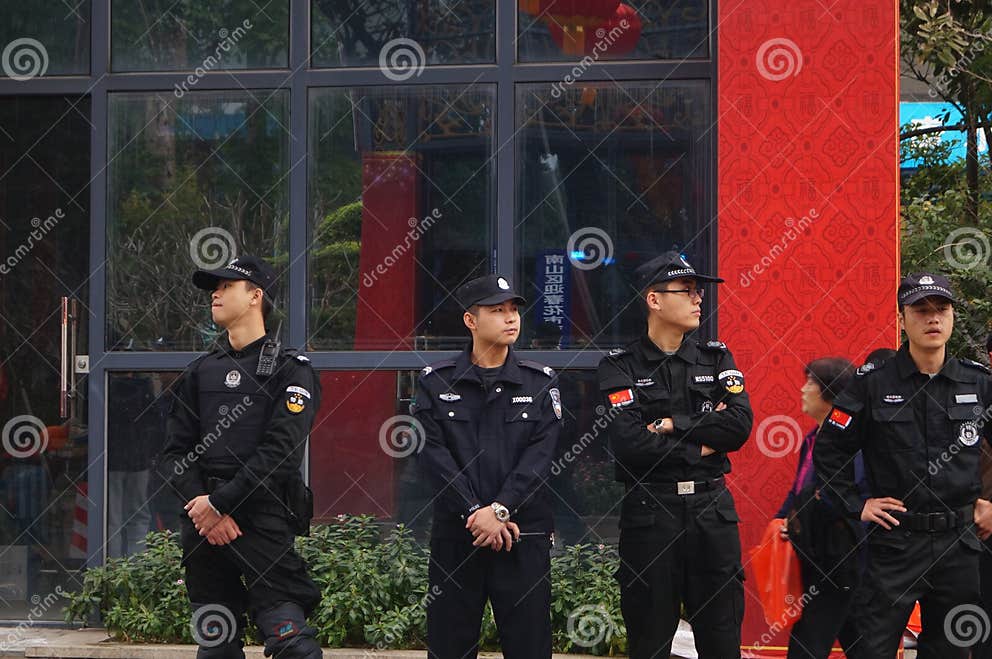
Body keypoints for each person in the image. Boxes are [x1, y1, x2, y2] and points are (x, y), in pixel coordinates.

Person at [814, 273, 992, 657]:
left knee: (949, 649)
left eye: (941, 309)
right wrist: (856, 505)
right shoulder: (872, 384)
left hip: (957, 544)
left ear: (952, 318)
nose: (932, 319)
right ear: (902, 319)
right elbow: (829, 450)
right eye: (921, 310)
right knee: (873, 648)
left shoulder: (976, 383)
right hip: (895, 543)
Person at [158, 256, 322, 659]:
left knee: (293, 646)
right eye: (214, 288)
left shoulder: (291, 370)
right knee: (215, 648)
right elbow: (174, 453)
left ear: (255, 296)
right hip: (204, 529)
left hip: (263, 520)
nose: (215, 294)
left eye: (226, 286)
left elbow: (280, 452)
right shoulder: (199, 371)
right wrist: (204, 508)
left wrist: (221, 504)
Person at [596, 252, 753, 659]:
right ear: (654, 300)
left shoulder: (717, 358)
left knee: (721, 639)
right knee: (650, 640)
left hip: (711, 513)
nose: (698, 299)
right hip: (651, 513)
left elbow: (738, 427)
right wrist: (703, 438)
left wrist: (670, 424)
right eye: (687, 291)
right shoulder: (620, 366)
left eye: (698, 291)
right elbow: (630, 444)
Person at [412, 274, 562, 659]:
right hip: (458, 536)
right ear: (470, 321)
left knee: (529, 646)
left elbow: (540, 460)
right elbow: (433, 456)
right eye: (497, 311)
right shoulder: (435, 382)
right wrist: (475, 512)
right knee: (450, 646)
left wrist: (499, 510)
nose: (511, 318)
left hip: (522, 534)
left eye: (514, 310)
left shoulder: (540, 382)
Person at [773, 357, 867, 659]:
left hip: (841, 556)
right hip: (815, 554)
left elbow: (847, 495)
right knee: (858, 639)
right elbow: (799, 490)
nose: (802, 390)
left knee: (808, 643)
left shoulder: (852, 442)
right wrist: (780, 521)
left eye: (810, 383)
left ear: (830, 393)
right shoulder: (812, 439)